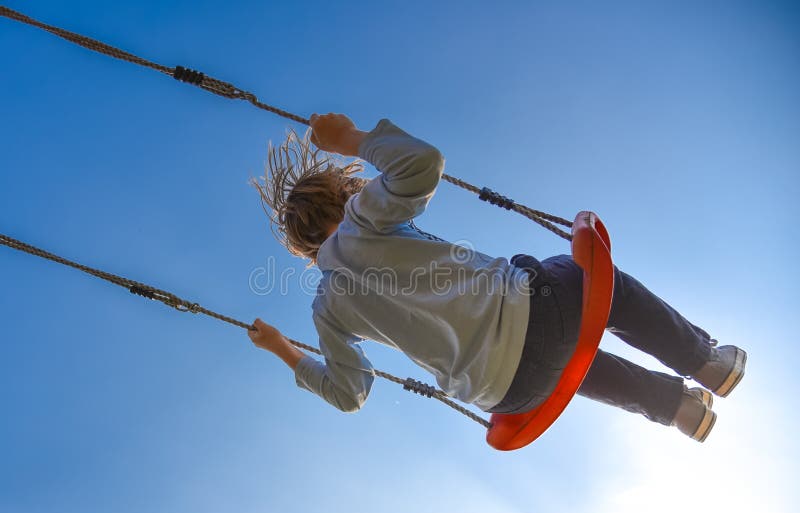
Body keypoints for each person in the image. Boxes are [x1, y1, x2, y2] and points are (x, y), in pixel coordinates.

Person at [247, 113, 746, 442]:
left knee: (569, 363)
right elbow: (422, 164)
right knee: (598, 283)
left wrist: (282, 349)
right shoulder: (361, 217)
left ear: (307, 249)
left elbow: (348, 394)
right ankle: (703, 361)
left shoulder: (327, 309)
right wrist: (351, 140)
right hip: (536, 315)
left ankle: (679, 409)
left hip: (508, 394)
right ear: (344, 194)